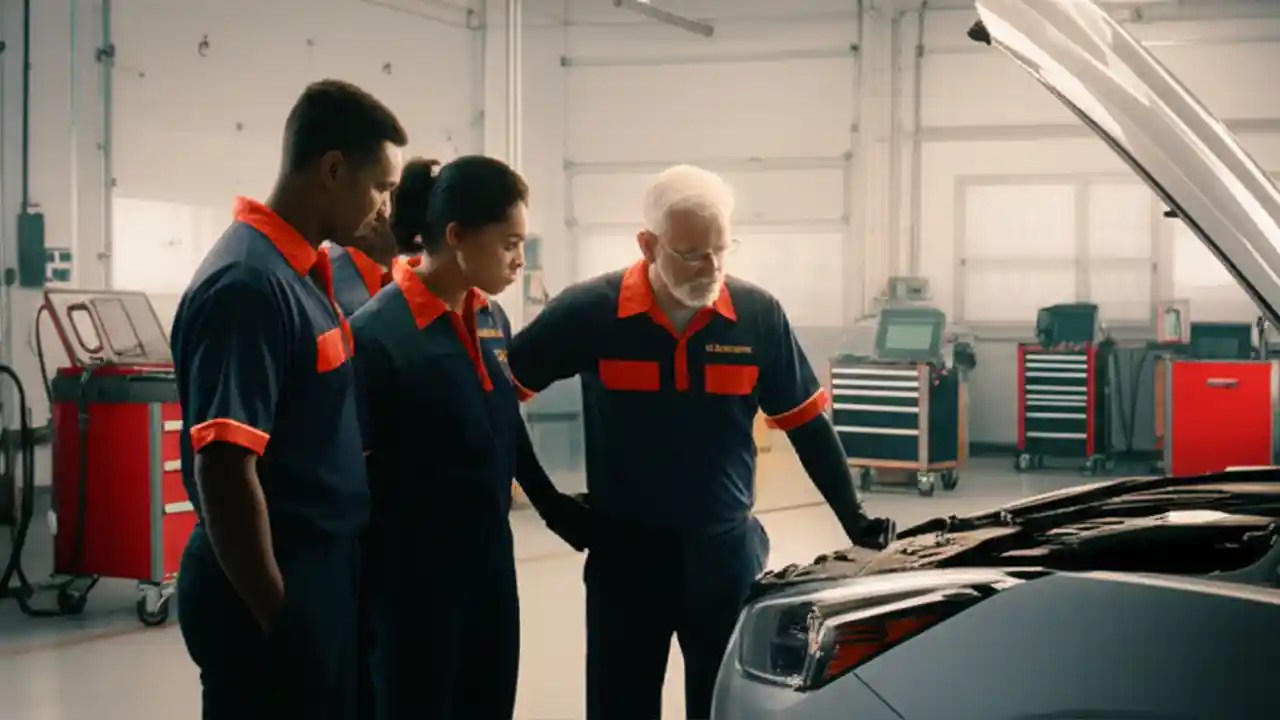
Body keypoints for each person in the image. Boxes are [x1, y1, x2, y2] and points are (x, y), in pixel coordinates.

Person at [505, 164, 898, 720]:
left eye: (722, 249)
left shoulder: (756, 315)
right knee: (620, 706)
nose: (711, 267)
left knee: (723, 709)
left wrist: (854, 518)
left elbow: (807, 424)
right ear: (648, 244)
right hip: (625, 560)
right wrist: (550, 507)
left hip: (725, 559)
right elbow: (497, 397)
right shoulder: (592, 311)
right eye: (691, 253)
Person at [170, 79, 406, 719]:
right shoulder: (249, 283)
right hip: (271, 583)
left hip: (320, 570)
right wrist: (280, 615)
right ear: (332, 169)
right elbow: (223, 466)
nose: (387, 207)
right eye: (381, 187)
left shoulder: (301, 270)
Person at [350, 155, 589, 719]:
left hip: (488, 563)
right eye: (509, 243)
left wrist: (556, 509)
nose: (519, 259)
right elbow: (355, 480)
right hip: (411, 579)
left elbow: (504, 420)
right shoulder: (377, 336)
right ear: (456, 236)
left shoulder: (492, 320)